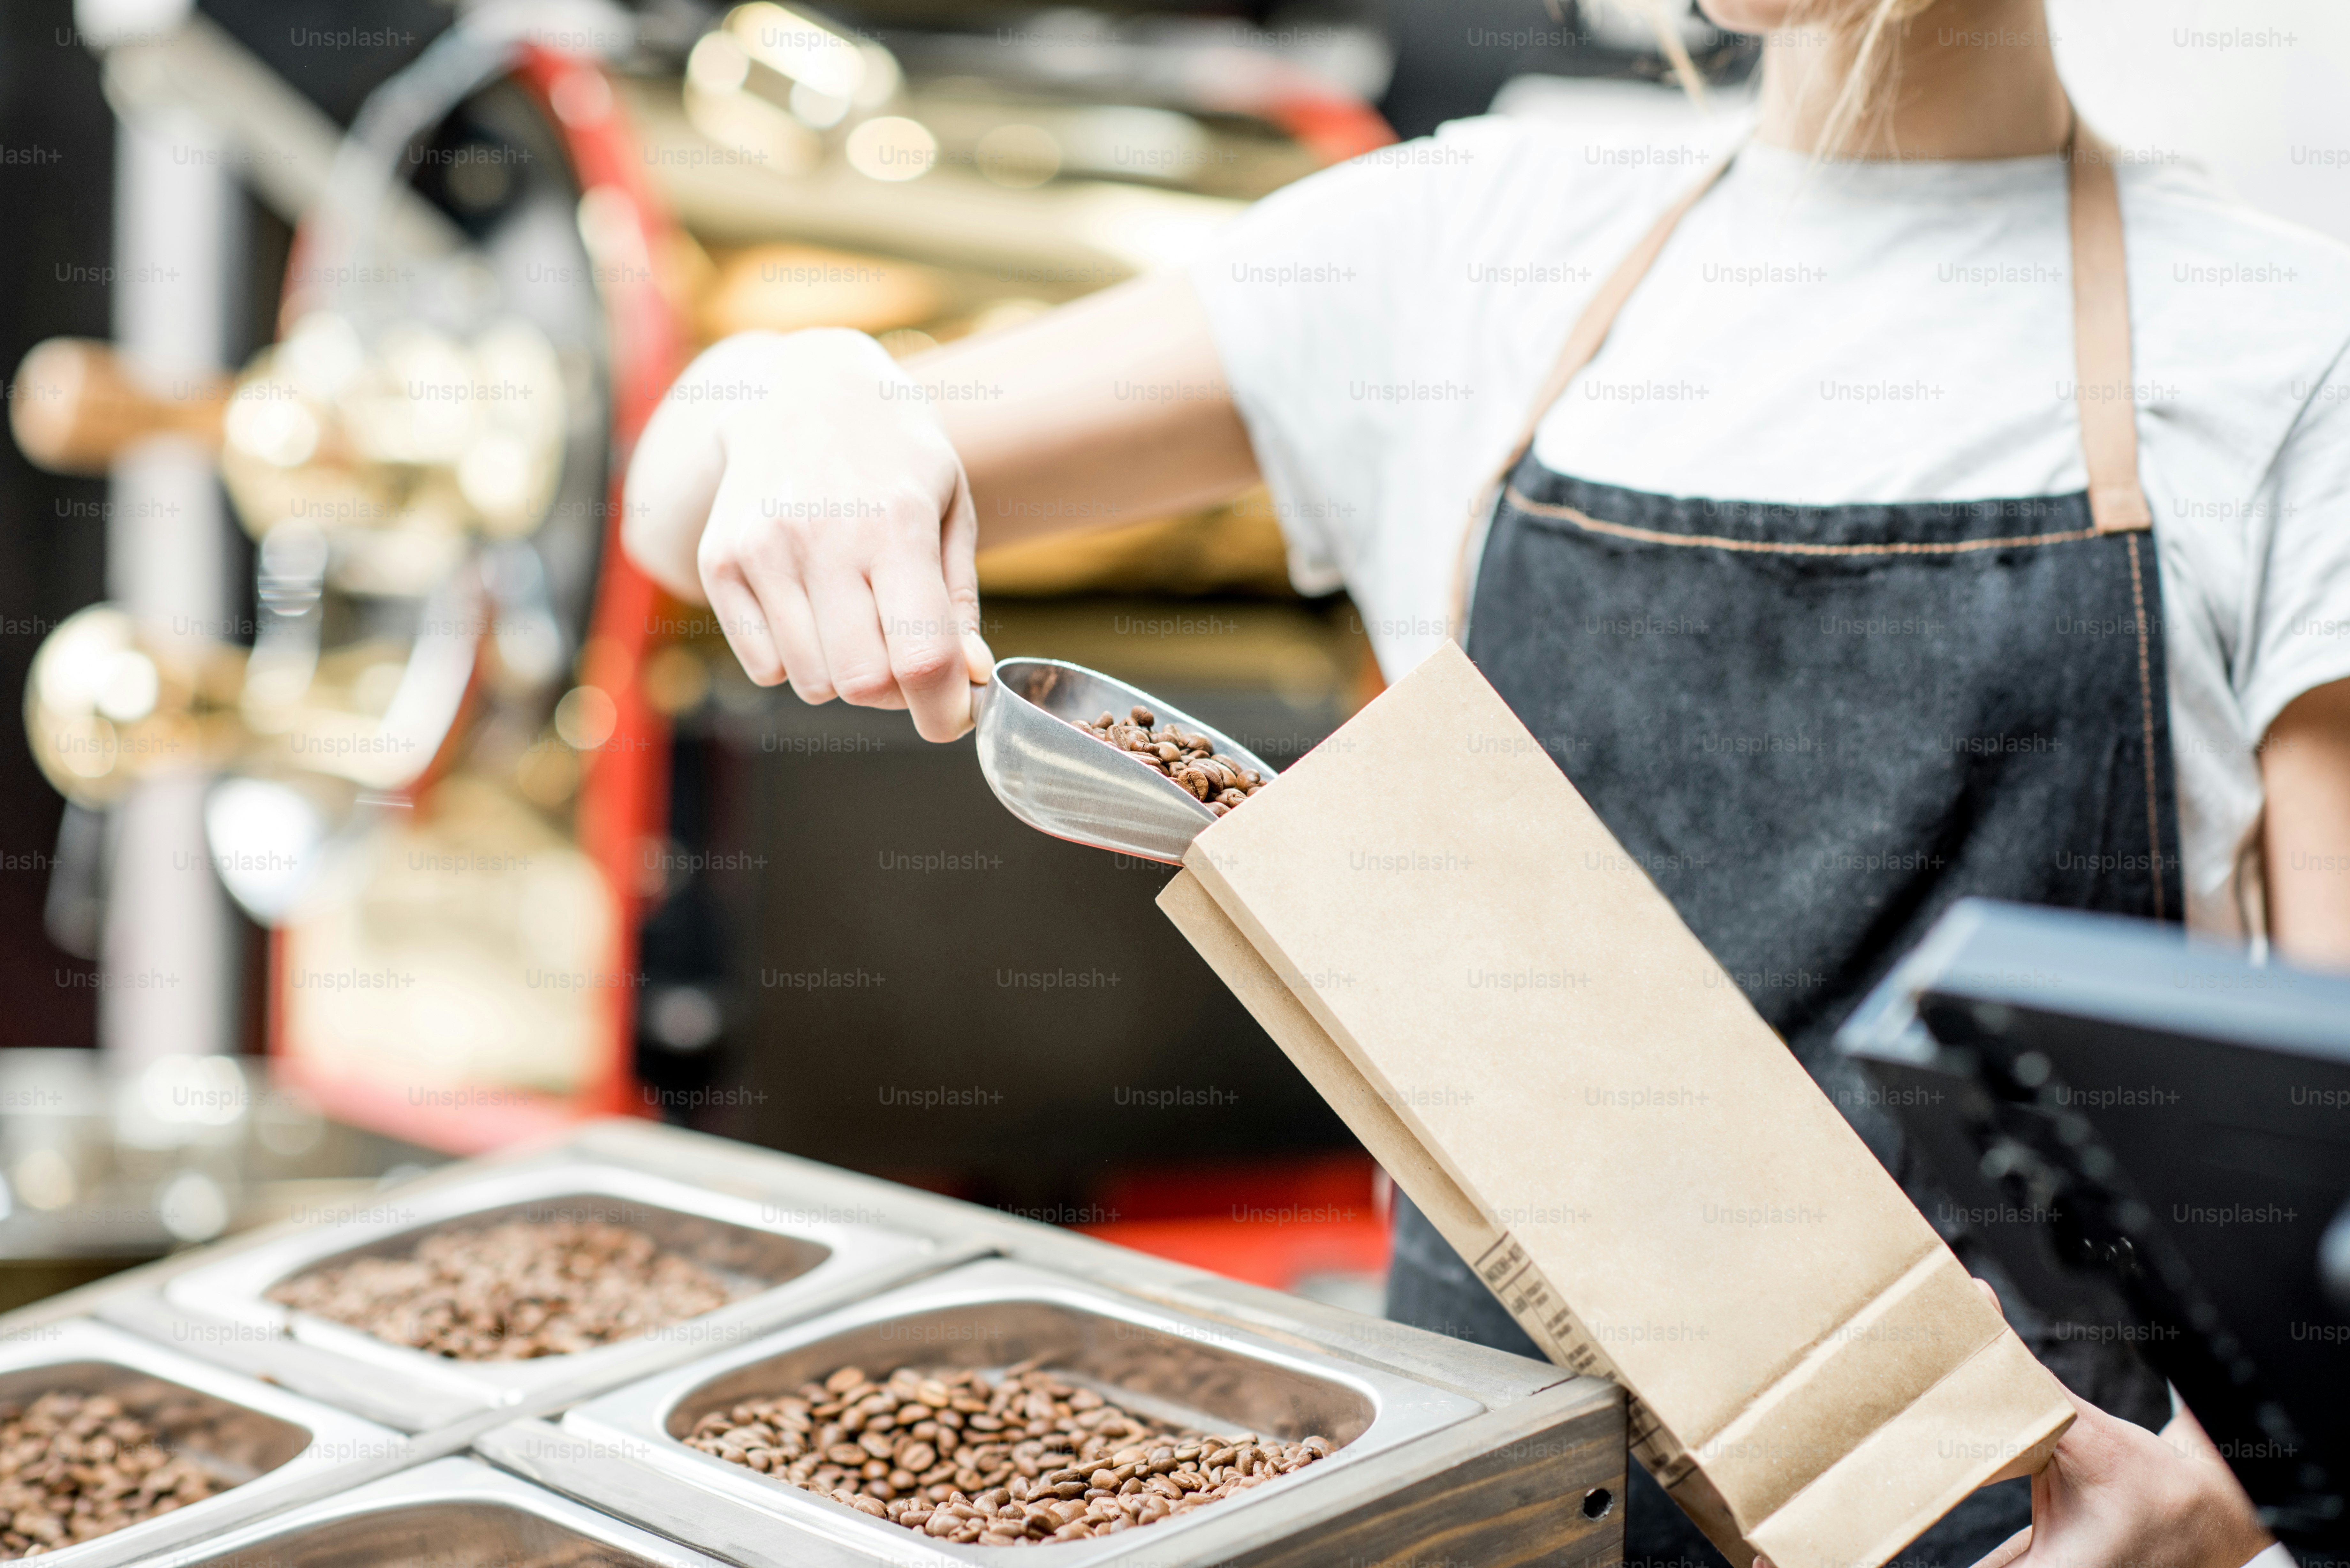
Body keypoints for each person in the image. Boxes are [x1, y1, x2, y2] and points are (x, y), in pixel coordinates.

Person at [624, 0, 2350, 1558]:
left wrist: (2247, 1522)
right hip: (1474, 1510)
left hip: (2036, 1530)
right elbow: (680, 497)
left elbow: (2321, 1184)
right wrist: (815, 398)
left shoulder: (2286, 348)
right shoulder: (1465, 249)